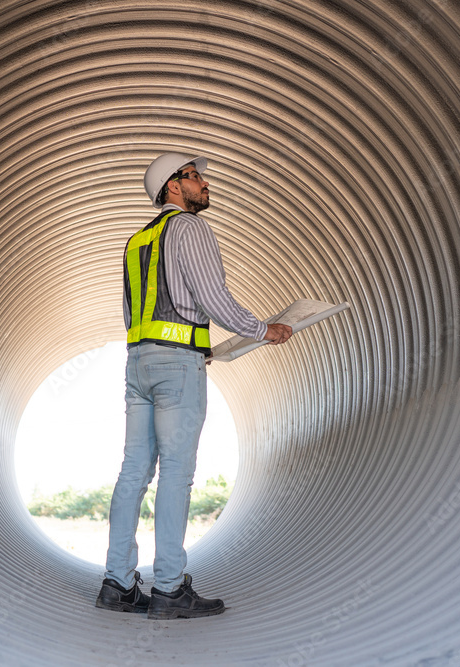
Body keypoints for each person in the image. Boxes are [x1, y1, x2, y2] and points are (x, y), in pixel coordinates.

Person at [95, 153, 292, 620]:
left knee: (133, 473)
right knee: (177, 474)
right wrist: (265, 329)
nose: (204, 182)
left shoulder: (136, 241)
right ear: (171, 187)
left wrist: (181, 343)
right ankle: (168, 588)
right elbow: (211, 296)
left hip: (138, 361)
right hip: (176, 369)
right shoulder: (189, 229)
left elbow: (134, 313)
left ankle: (117, 584)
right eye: (193, 176)